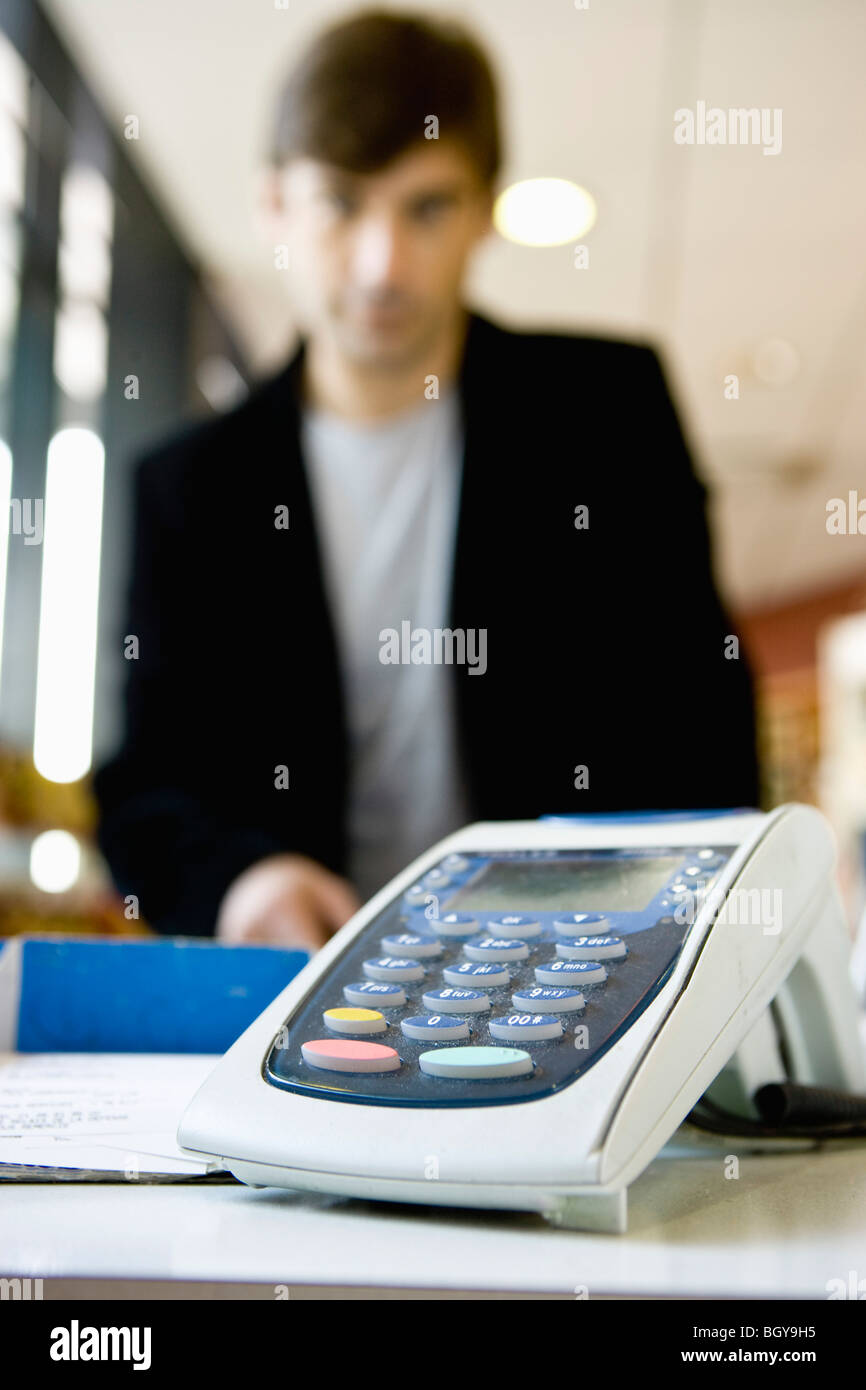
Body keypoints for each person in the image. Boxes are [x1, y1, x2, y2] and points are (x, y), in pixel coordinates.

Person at [92, 8, 760, 951]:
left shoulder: (609, 415)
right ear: (273, 207)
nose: (382, 264)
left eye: (427, 206)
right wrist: (242, 884)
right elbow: (149, 786)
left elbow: (704, 728)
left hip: (585, 982)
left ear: (486, 209)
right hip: (303, 1005)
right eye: (342, 203)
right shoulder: (189, 488)